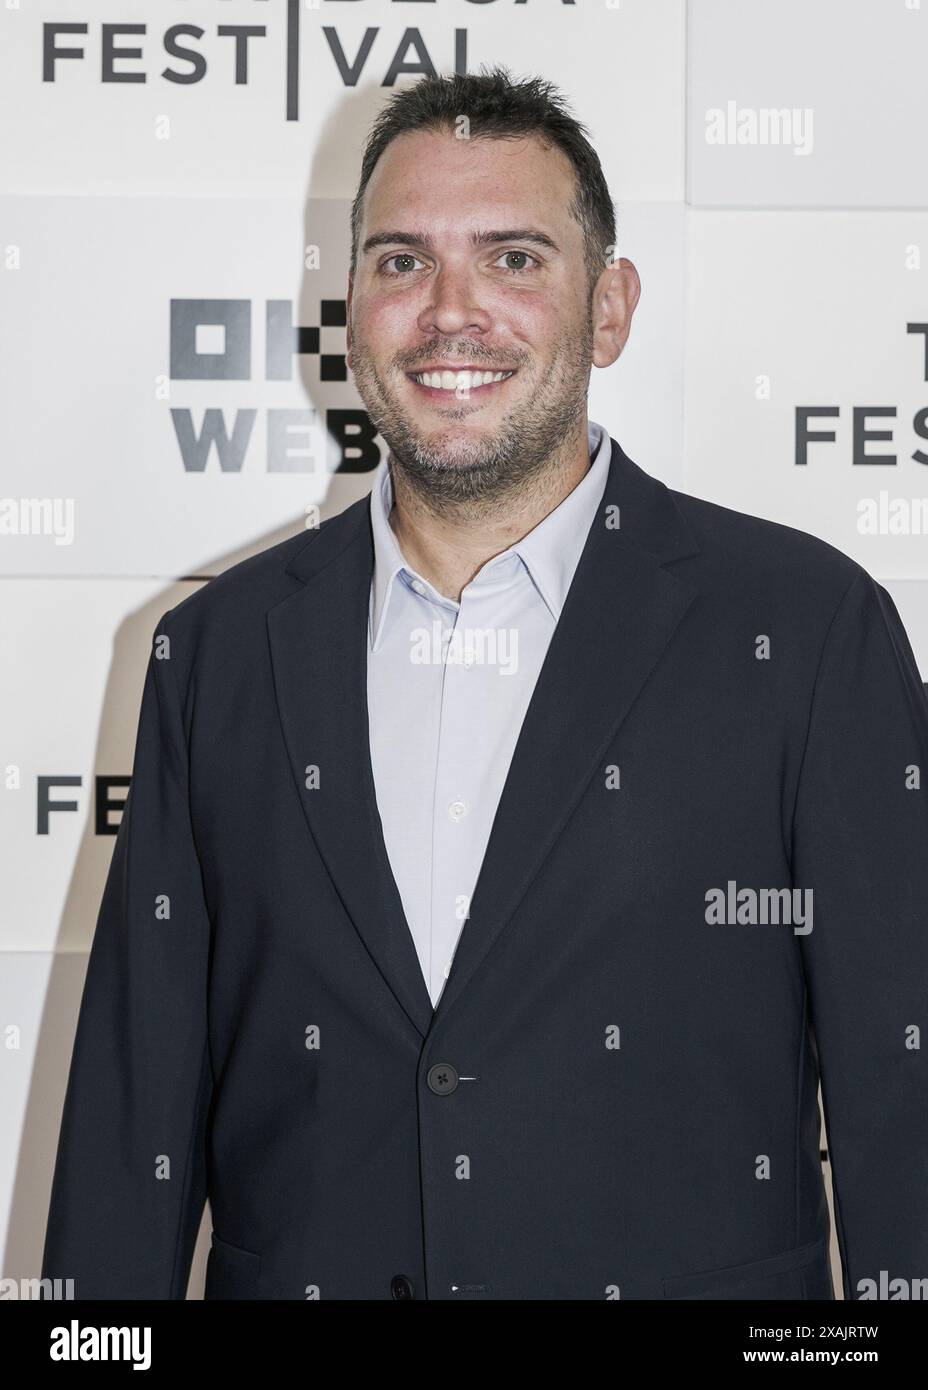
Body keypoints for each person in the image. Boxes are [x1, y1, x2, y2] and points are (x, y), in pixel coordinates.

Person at [43, 66, 928, 1301]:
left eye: (514, 258)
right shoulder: (219, 651)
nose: (451, 312)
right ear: (350, 305)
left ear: (609, 309)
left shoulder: (806, 629)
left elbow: (904, 1097)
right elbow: (131, 1121)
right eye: (402, 261)